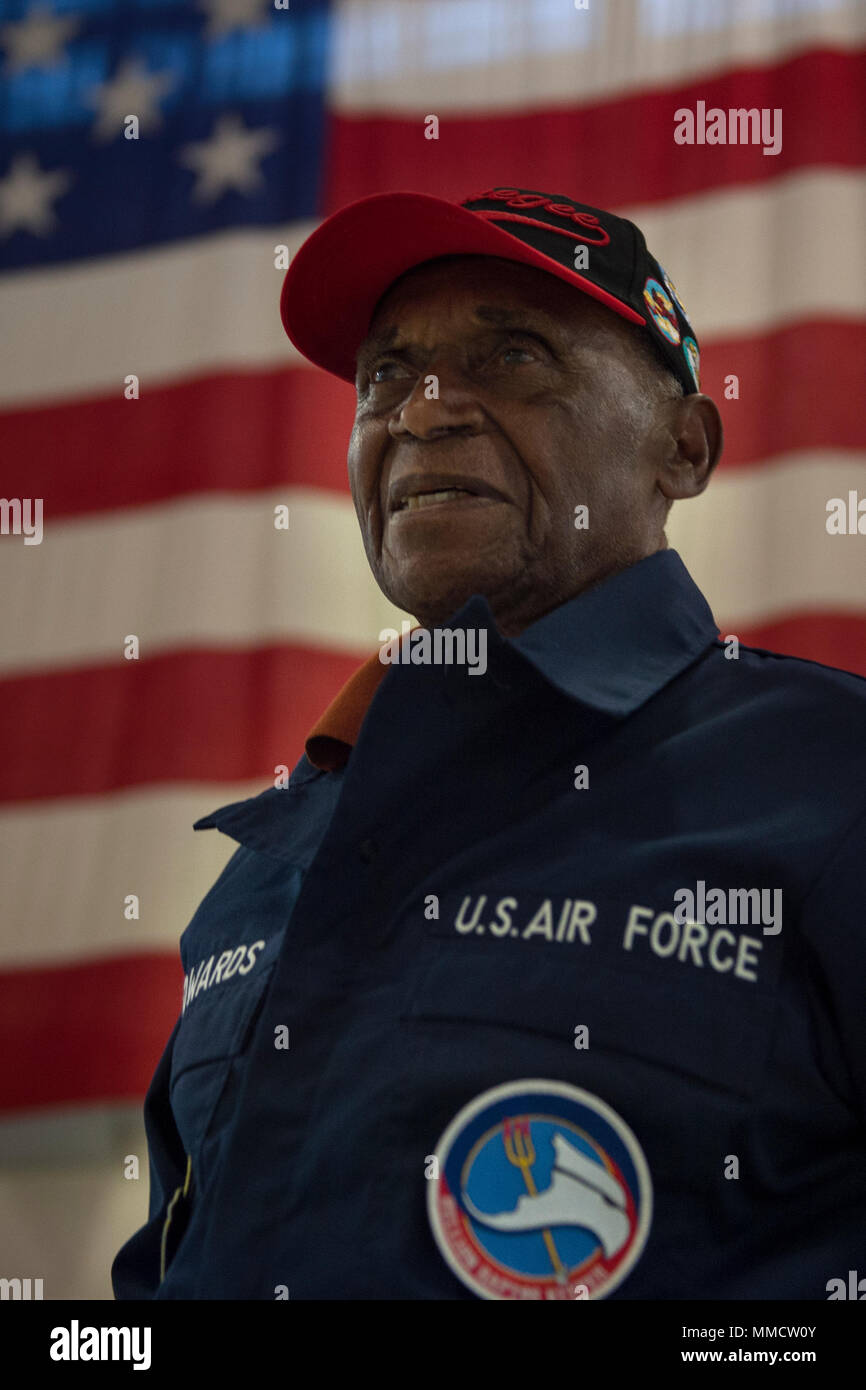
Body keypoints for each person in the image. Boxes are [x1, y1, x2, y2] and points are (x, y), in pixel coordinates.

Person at [112, 186, 866, 1301]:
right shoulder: (259, 873)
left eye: (511, 354)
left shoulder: (832, 781)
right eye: (382, 376)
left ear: (684, 447)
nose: (419, 411)